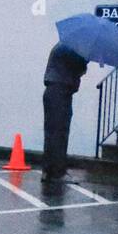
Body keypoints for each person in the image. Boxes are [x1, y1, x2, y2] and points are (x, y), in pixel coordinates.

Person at [41, 41, 89, 184]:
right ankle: (58, 173)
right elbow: (78, 66)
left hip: (54, 90)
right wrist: (85, 60)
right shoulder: (71, 48)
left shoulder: (62, 46)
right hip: (60, 91)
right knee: (60, 133)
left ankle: (48, 170)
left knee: (51, 132)